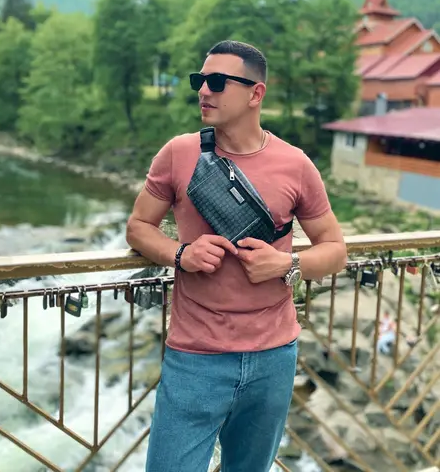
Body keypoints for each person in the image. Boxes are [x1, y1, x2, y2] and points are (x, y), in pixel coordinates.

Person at [126, 40, 347, 472]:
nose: (202, 91)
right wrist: (181, 253)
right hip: (195, 356)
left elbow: (335, 249)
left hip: (274, 357)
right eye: (199, 80)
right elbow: (138, 227)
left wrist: (288, 264)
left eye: (216, 82)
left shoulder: (296, 164)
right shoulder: (178, 153)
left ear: (255, 93)